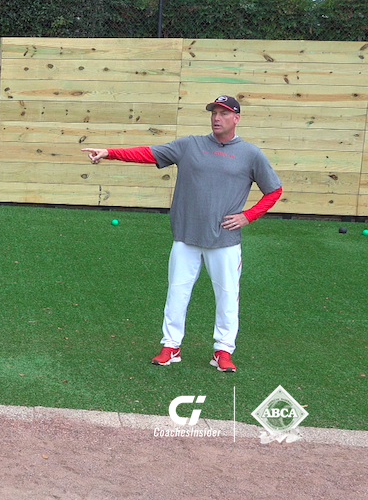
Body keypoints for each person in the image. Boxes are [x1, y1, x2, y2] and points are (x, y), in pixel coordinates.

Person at [82, 95, 283, 373]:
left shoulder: (250, 154)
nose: (216, 117)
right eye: (213, 112)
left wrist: (248, 216)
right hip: (186, 237)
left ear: (236, 118)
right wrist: (110, 152)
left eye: (224, 113)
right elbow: (149, 153)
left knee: (227, 296)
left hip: (224, 240)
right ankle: (171, 346)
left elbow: (274, 190)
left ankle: (223, 351)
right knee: (177, 293)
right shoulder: (190, 145)